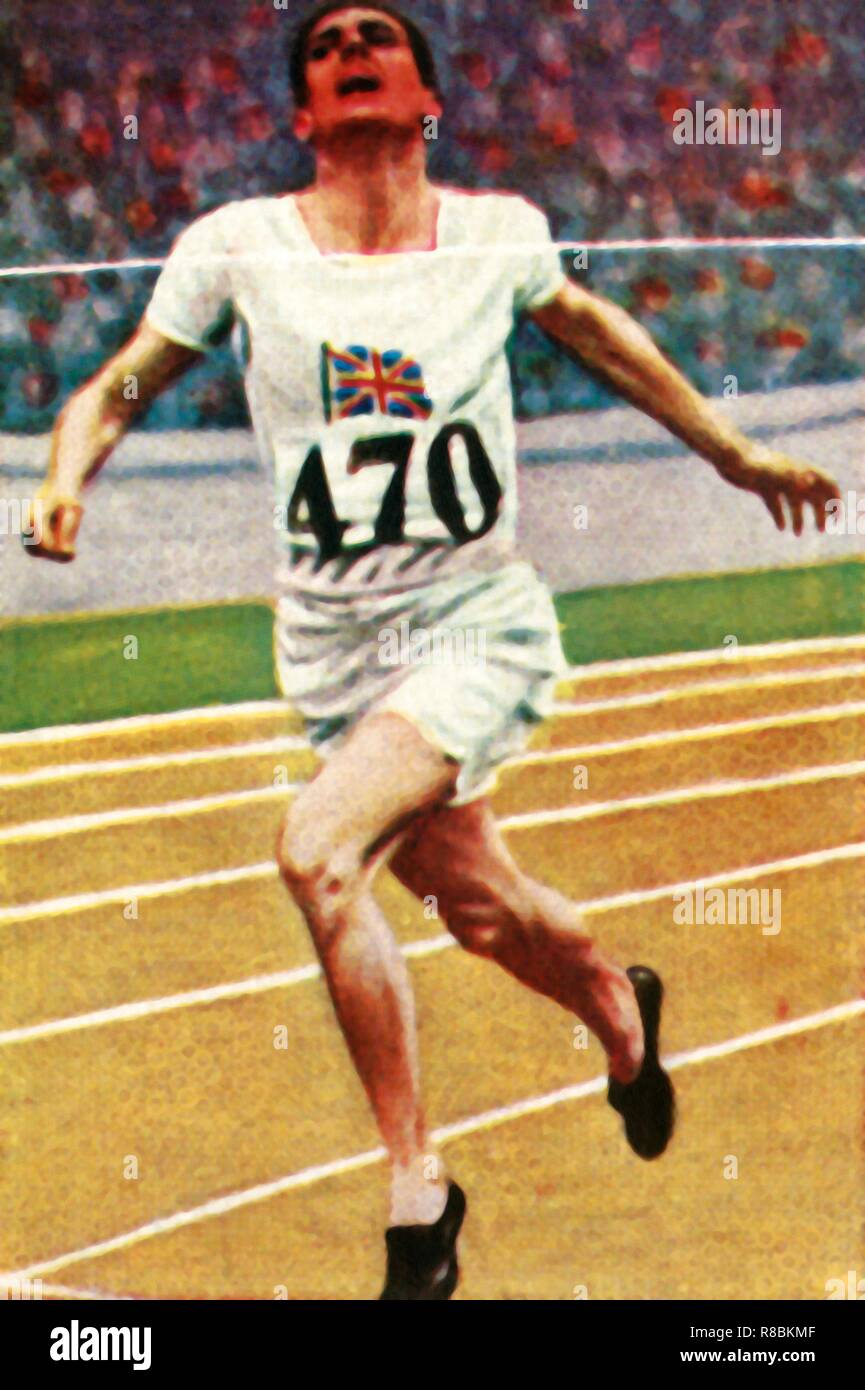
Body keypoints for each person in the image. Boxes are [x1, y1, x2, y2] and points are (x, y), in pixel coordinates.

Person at [27, 3, 840, 1301]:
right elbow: (126, 376)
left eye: (377, 38)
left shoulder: (495, 237)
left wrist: (732, 451)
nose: (350, 43)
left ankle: (419, 1189)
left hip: (472, 620)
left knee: (318, 852)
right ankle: (620, 1016)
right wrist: (69, 471)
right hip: (335, 645)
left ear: (426, 101)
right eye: (324, 44)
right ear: (300, 116)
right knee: (477, 909)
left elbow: (594, 332)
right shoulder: (234, 247)